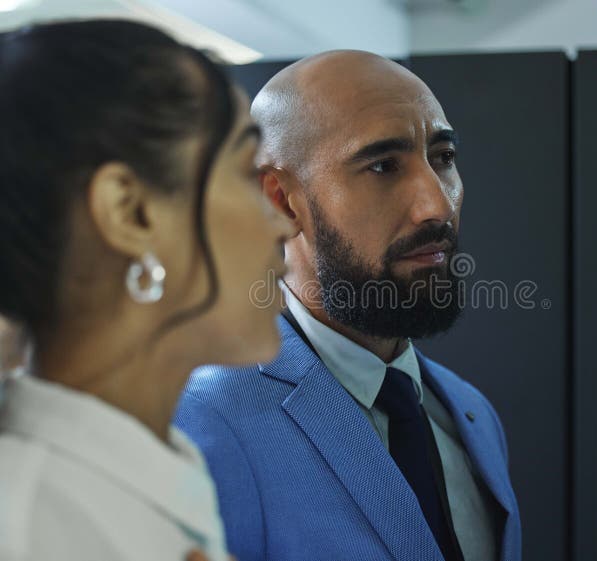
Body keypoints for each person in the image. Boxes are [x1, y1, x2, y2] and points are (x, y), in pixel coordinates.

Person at [175, 50, 522, 561]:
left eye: (443, 158)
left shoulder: (471, 414)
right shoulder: (207, 426)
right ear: (280, 201)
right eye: (383, 166)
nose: (438, 205)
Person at [0, 20, 294, 561]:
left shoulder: (162, 464)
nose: (283, 226)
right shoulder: (31, 526)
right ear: (129, 212)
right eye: (247, 174)